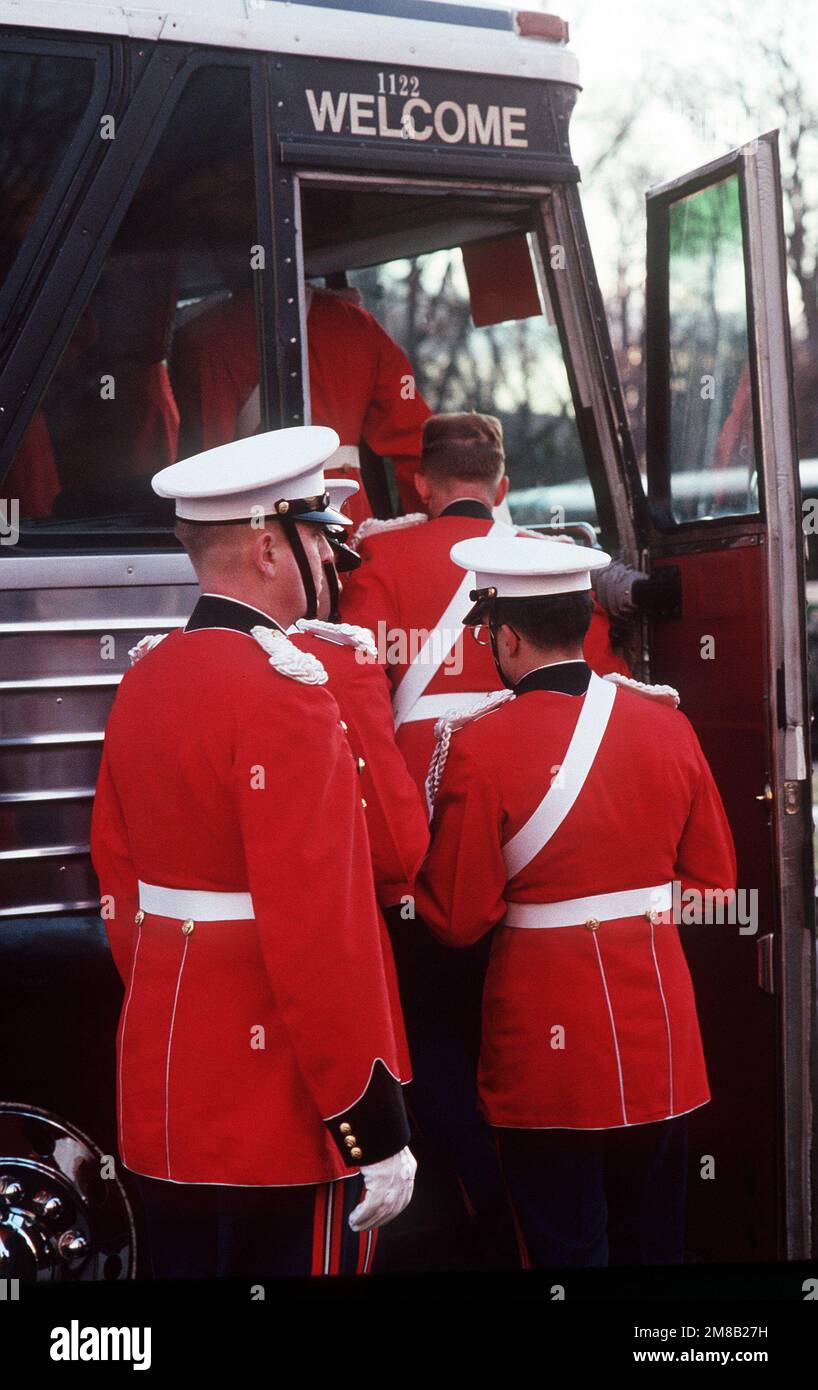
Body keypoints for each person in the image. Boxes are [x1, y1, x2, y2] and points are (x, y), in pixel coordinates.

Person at [91, 425, 416, 1279]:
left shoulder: (146, 677)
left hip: (166, 1083)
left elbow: (120, 891)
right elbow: (322, 933)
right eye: (319, 536)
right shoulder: (288, 696)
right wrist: (365, 1117)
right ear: (271, 548)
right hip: (283, 1108)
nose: (332, 561)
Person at [416, 533, 737, 1269]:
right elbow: (716, 887)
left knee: (564, 1252)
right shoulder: (667, 723)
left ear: (503, 634)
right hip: (659, 1045)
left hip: (548, 1061)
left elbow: (459, 921)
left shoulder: (478, 745)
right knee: (656, 1247)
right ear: (588, 620)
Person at [340, 410, 629, 804]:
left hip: (418, 775)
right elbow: (605, 684)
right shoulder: (550, 559)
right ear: (501, 490)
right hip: (534, 767)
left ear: (422, 486)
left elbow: (357, 679)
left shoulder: (383, 553)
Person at [170, 284, 430, 527]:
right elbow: (415, 446)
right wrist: (429, 531)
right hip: (345, 514)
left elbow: (202, 466)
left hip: (255, 520)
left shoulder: (203, 335)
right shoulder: (357, 324)